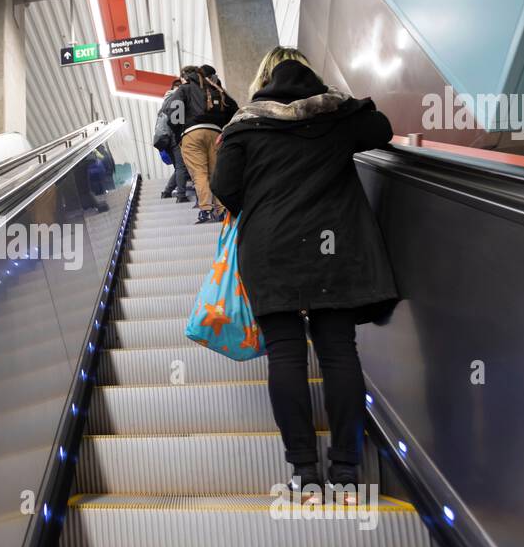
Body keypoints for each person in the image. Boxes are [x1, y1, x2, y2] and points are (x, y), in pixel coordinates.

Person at [210, 47, 397, 504]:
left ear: (263, 78)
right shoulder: (334, 115)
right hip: (333, 250)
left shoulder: (245, 124)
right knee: (337, 352)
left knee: (285, 356)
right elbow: (382, 129)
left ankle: (305, 474)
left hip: (271, 251)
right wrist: (341, 100)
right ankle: (347, 472)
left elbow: (223, 188)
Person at [160, 64, 237, 223]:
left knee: (199, 173)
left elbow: (172, 111)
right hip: (216, 134)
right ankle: (221, 210)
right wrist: (223, 128)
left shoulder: (184, 89)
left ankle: (206, 209)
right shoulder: (216, 89)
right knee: (215, 173)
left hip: (191, 134)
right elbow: (233, 110)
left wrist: (179, 132)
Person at [155, 77, 191, 202]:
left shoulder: (166, 99)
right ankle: (181, 195)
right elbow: (177, 120)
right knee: (182, 167)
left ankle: (167, 192)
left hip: (165, 137)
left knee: (179, 168)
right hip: (173, 136)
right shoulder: (176, 99)